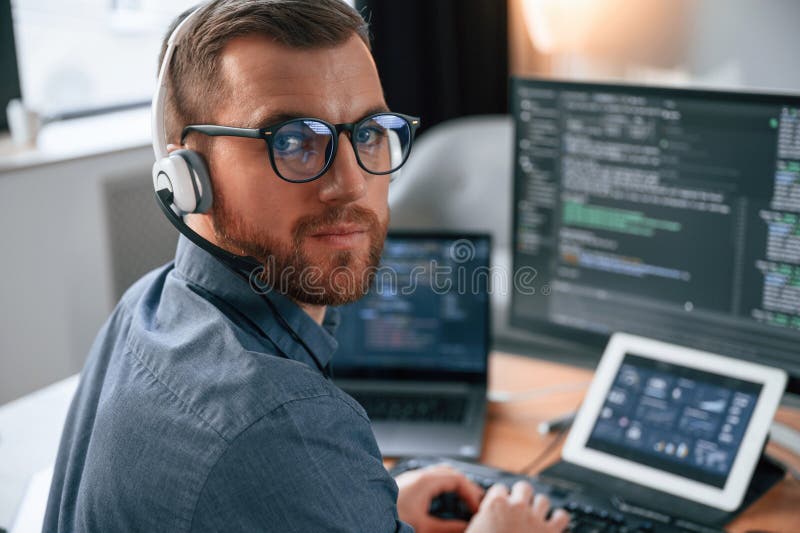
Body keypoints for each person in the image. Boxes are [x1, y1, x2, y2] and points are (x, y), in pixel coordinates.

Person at [44, 1, 571, 531]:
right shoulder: (278, 423)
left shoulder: (145, 305)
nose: (350, 183)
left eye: (368, 133)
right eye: (292, 141)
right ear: (188, 175)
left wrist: (358, 508)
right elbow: (268, 454)